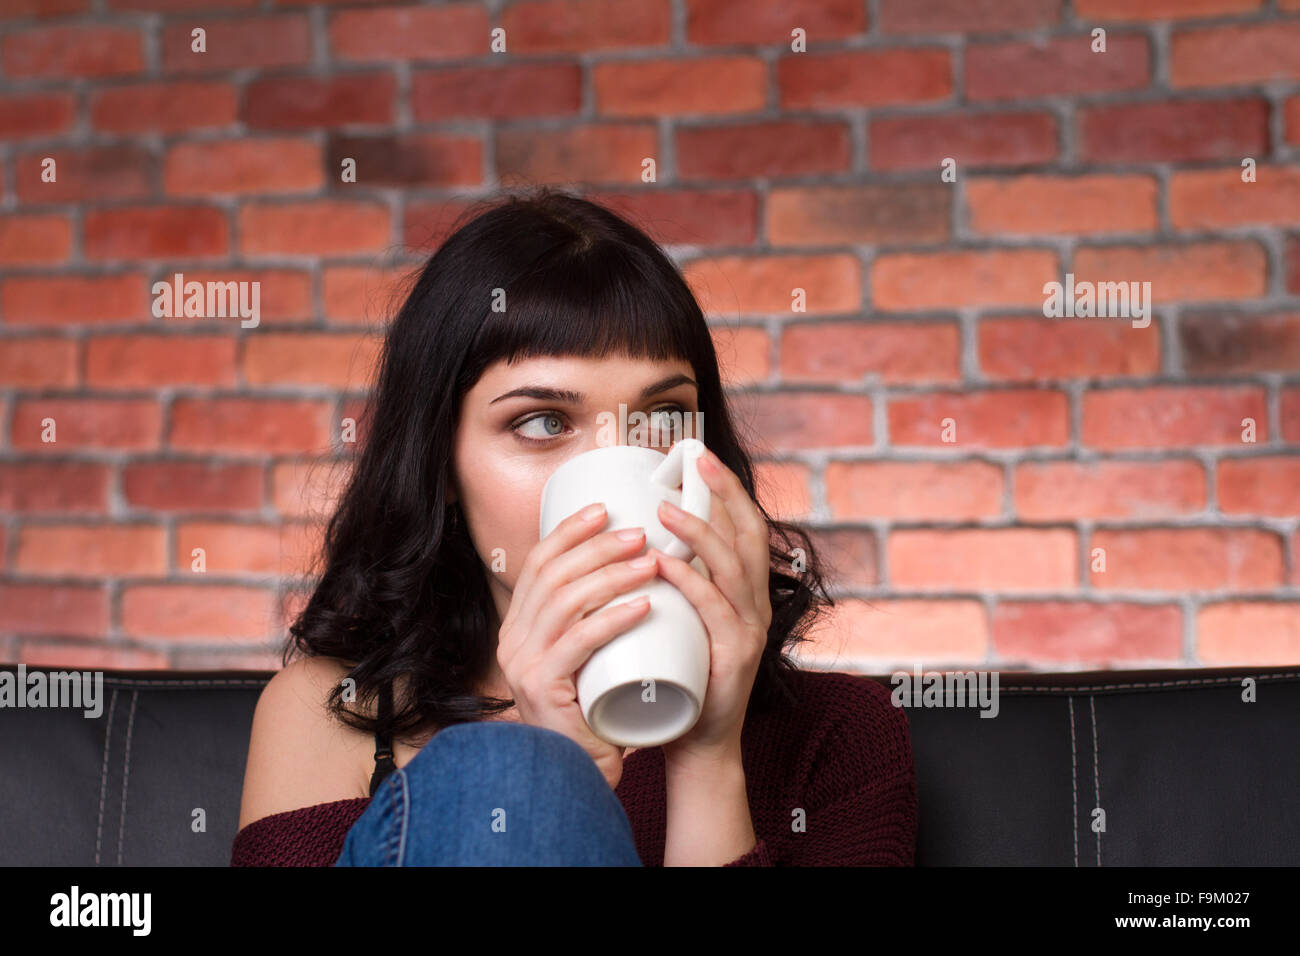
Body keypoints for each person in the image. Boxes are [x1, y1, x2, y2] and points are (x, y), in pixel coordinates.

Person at [231, 186, 917, 867]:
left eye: (663, 416)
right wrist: (550, 772)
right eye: (542, 422)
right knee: (505, 775)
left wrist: (707, 758)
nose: (615, 463)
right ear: (441, 465)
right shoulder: (333, 716)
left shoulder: (840, 735)